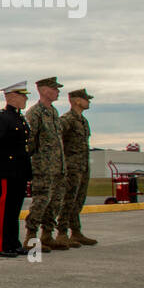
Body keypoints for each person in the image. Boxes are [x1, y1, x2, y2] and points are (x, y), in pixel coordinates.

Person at [0, 81, 33, 257]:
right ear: (11, 96)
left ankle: (13, 243)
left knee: (14, 209)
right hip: (6, 170)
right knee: (4, 210)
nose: (26, 99)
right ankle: (1, 246)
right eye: (22, 95)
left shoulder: (20, 118)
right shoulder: (1, 118)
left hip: (19, 171)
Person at [25, 77, 69, 250]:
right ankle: (31, 236)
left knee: (55, 202)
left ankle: (47, 234)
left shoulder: (53, 112)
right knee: (41, 201)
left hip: (58, 166)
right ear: (43, 90)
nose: (58, 92)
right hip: (43, 167)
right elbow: (29, 142)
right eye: (54, 89)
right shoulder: (35, 113)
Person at [57, 88, 98, 246]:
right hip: (71, 166)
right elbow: (57, 140)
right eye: (86, 99)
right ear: (77, 101)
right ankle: (62, 232)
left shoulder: (83, 120)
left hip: (83, 166)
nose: (89, 102)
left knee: (78, 199)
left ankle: (76, 231)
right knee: (68, 199)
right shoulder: (67, 119)